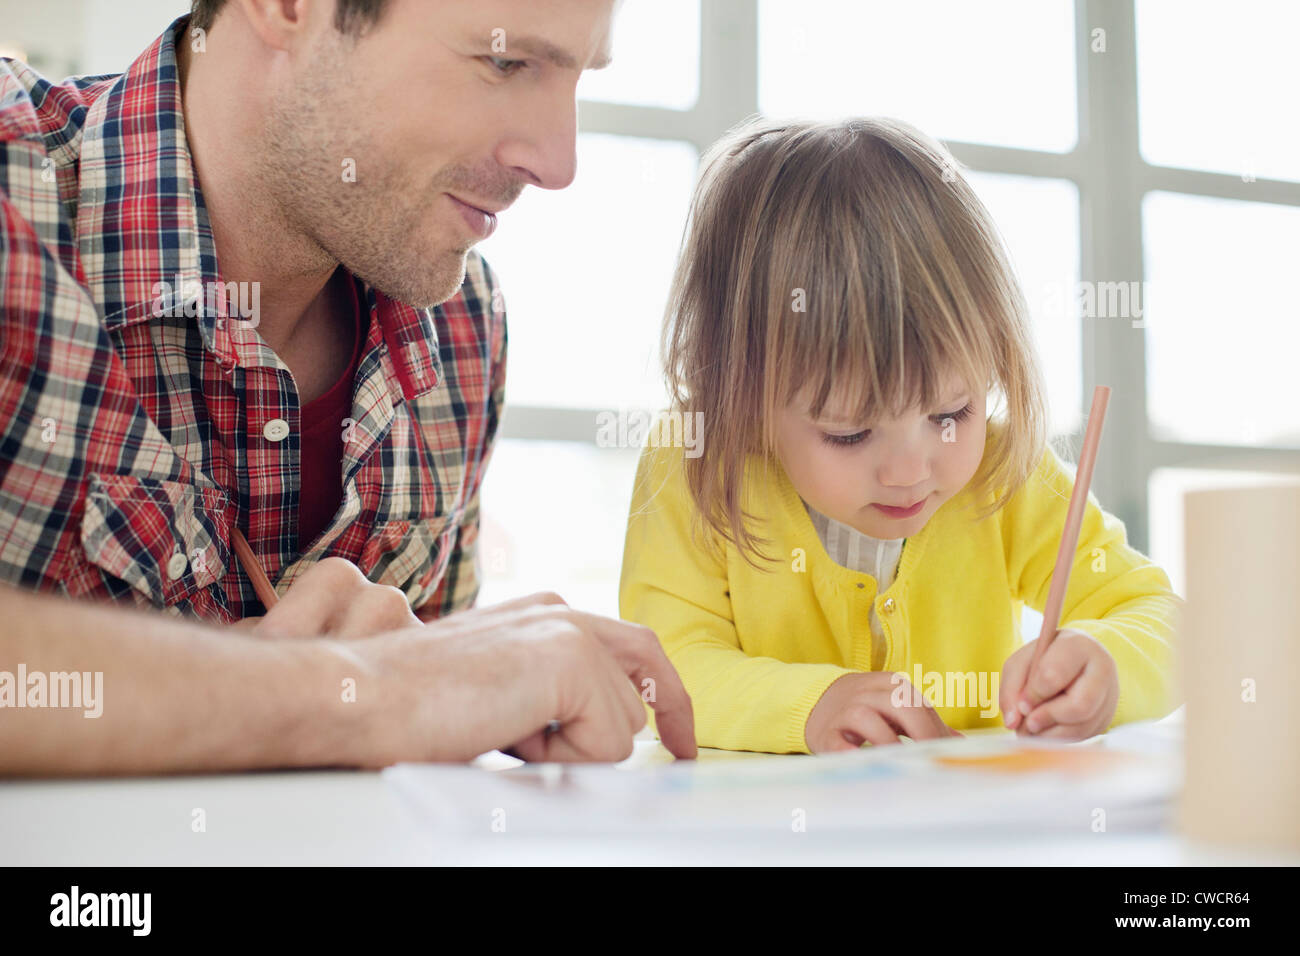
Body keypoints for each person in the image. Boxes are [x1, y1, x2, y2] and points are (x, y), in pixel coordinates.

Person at [0, 0, 695, 773]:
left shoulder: (464, 330)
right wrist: (359, 691)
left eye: (577, 76)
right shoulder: (12, 202)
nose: (558, 163)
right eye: (505, 63)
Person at [619, 117, 1181, 754]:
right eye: (851, 432)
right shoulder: (694, 461)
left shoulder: (1004, 472)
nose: (910, 472)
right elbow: (661, 672)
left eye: (951, 415)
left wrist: (1105, 664)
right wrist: (809, 707)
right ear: (742, 396)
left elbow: (1164, 619)